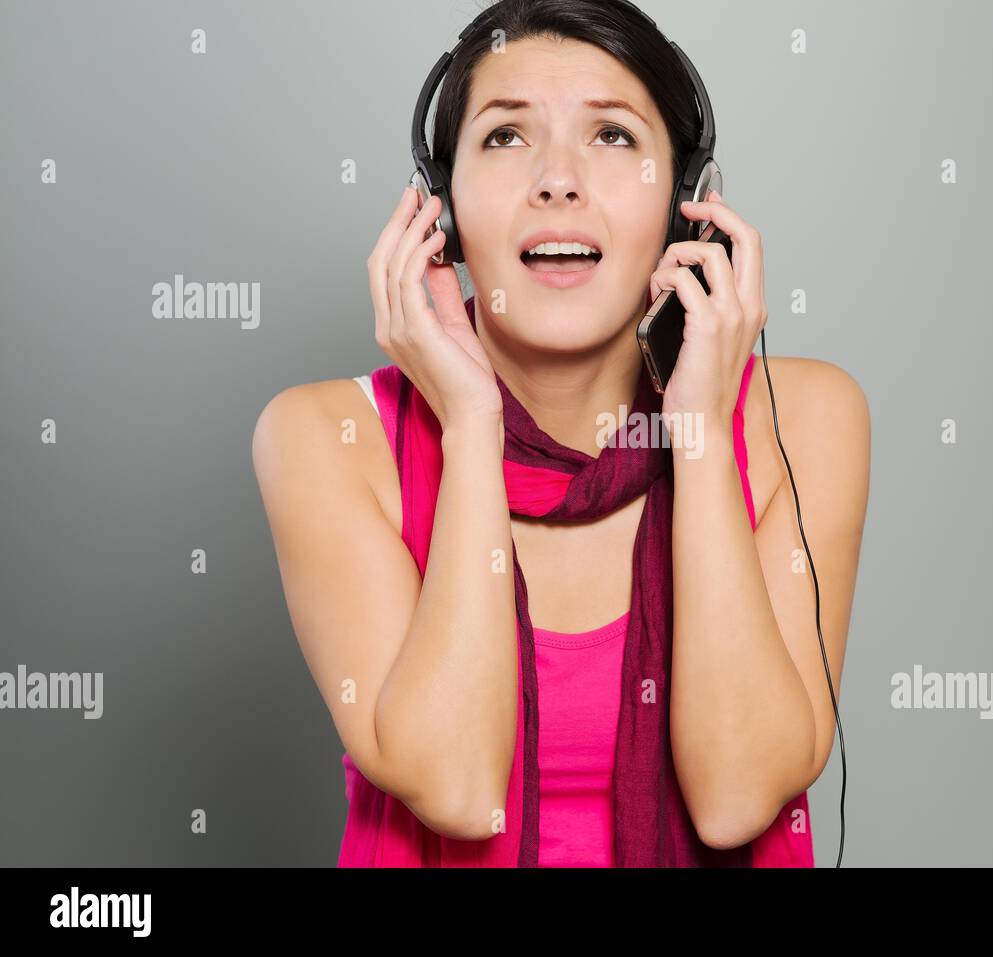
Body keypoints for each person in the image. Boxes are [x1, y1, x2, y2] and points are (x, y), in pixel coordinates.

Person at [252, 0, 870, 867]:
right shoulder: (325, 437)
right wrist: (473, 426)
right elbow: (457, 787)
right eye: (506, 136)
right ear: (442, 211)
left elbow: (737, 798)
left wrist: (696, 430)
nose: (558, 180)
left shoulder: (808, 418)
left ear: (688, 203)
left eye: (613, 136)